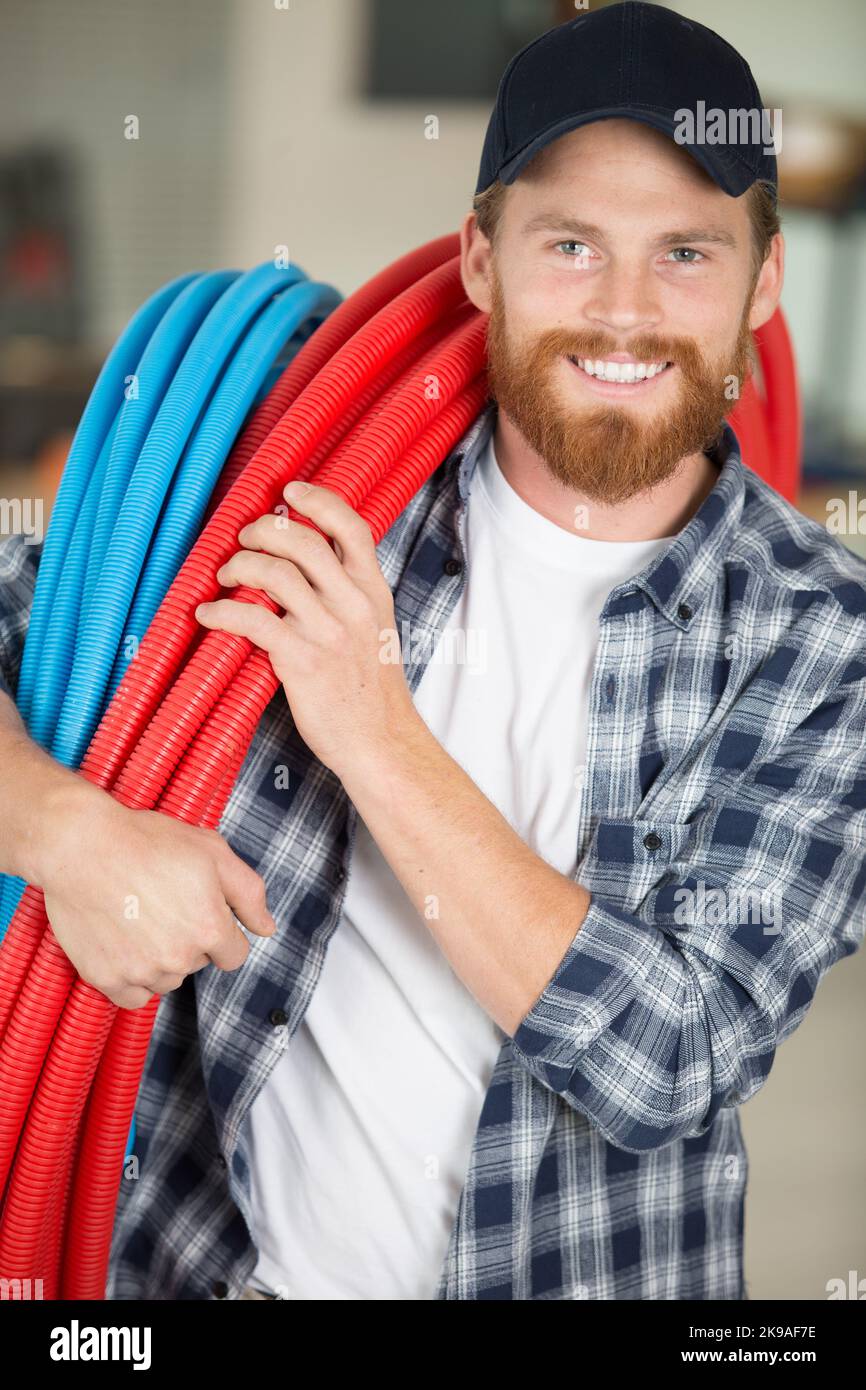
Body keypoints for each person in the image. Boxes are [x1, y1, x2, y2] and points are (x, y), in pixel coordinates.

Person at [0, 2, 863, 1301]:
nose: (623, 312)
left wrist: (372, 727)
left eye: (684, 251)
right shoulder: (291, 499)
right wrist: (63, 829)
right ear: (477, 259)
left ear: (763, 280)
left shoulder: (822, 642)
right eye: (568, 243)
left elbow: (667, 1053)